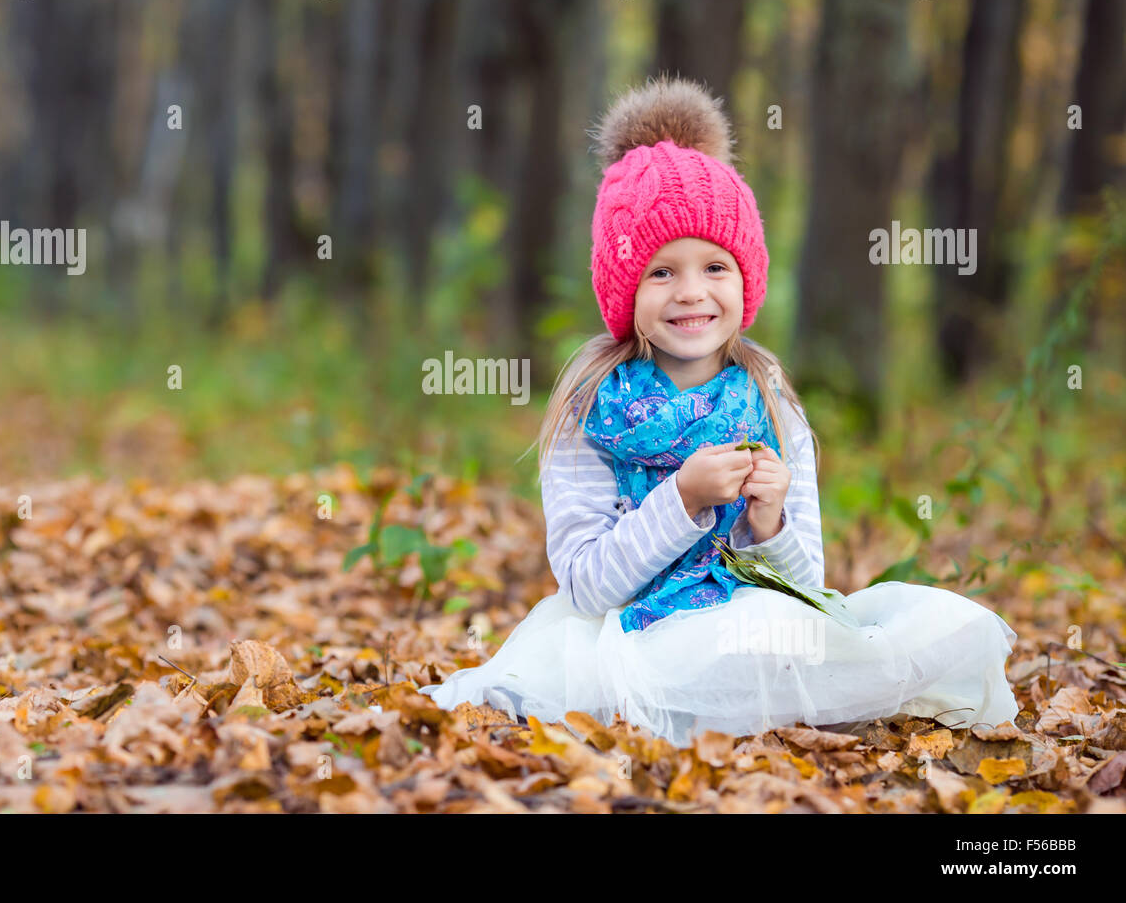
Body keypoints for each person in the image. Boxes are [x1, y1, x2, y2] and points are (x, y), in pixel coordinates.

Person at [416, 75, 1020, 745]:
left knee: (938, 630)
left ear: (746, 277)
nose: (691, 293)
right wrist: (681, 500)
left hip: (750, 622)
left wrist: (771, 520)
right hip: (629, 639)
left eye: (715, 267)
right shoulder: (592, 409)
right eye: (662, 272)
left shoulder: (770, 400)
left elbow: (806, 585)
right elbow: (586, 587)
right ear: (624, 287)